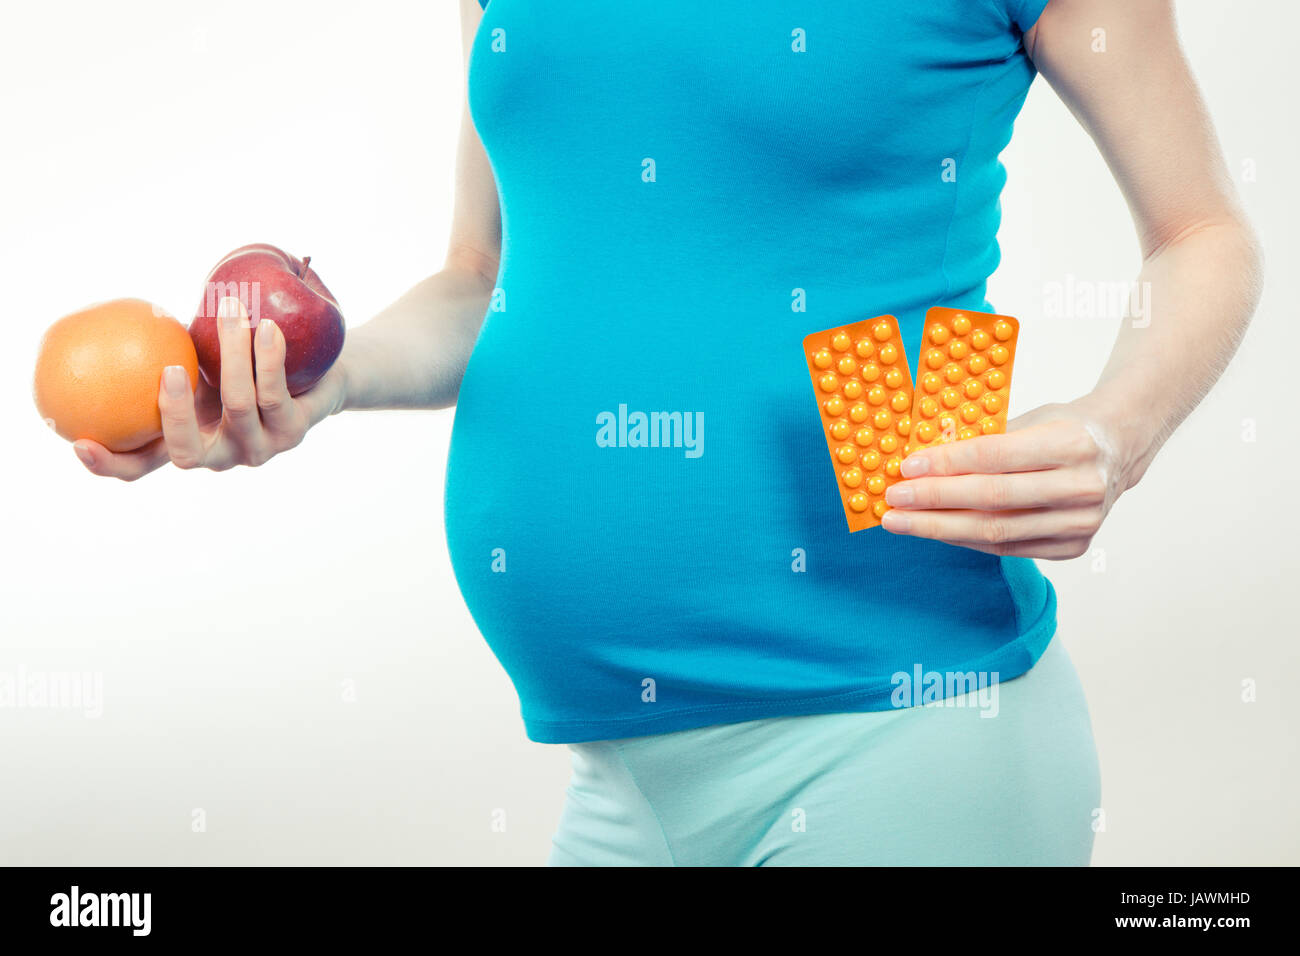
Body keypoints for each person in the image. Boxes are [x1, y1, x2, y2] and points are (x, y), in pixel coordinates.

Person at [76, 0, 1262, 866]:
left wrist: (1115, 431)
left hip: (899, 718)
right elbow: (482, 275)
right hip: (619, 780)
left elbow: (1202, 227)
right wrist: (318, 385)